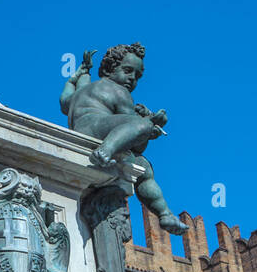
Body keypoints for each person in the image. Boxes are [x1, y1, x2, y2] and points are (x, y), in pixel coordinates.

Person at [63, 43, 187, 235]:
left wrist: (78, 75)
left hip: (80, 131)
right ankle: (106, 150)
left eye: (137, 76)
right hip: (99, 131)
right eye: (128, 71)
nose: (132, 79)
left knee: (142, 167)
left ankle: (165, 214)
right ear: (108, 69)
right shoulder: (120, 92)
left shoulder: (80, 92)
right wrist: (150, 125)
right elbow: (137, 144)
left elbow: (64, 101)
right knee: (144, 139)